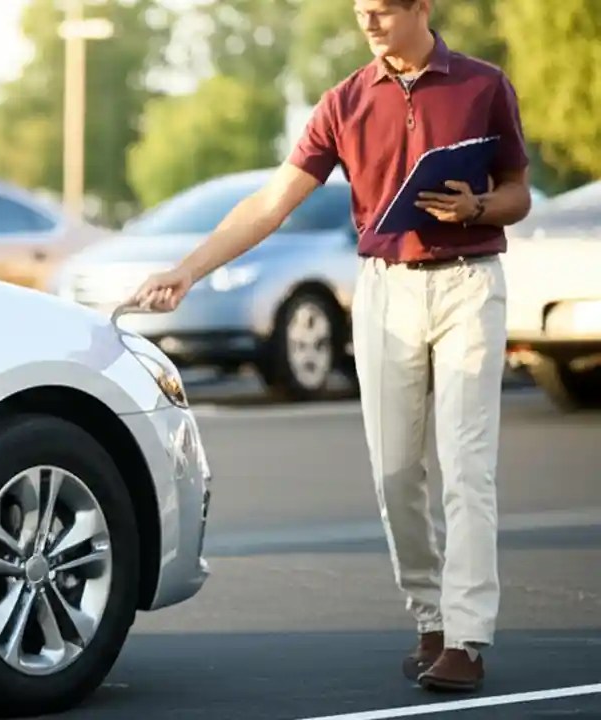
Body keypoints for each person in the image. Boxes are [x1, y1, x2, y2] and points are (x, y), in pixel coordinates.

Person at [129, 0, 531, 693]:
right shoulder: (343, 102)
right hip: (383, 291)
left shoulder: (482, 85)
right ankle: (430, 618)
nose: (368, 24)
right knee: (395, 474)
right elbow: (270, 203)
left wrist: (477, 209)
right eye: (358, 12)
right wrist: (188, 270)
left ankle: (466, 637)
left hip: (469, 282)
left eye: (380, 11)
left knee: (468, 466)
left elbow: (518, 192)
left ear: (420, 9)